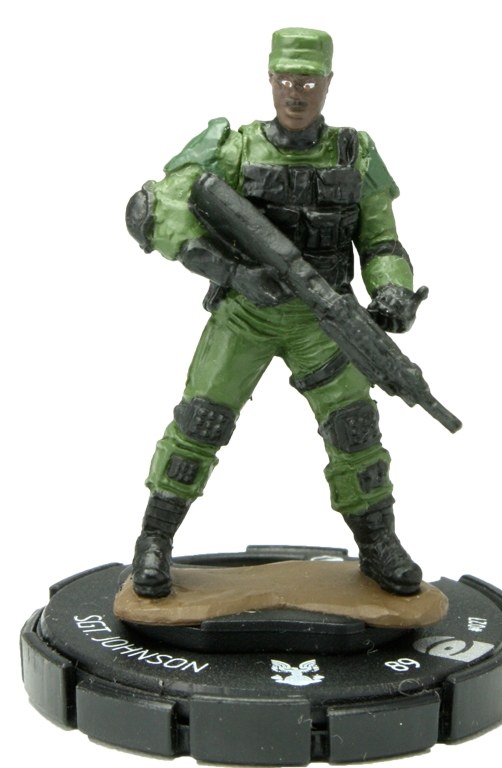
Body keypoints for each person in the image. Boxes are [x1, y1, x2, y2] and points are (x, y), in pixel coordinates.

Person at [126, 27, 427, 599]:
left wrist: (393, 292)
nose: (296, 92)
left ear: (328, 83)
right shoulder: (233, 148)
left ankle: (379, 544)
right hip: (246, 315)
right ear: (270, 79)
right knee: (199, 424)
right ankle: (155, 539)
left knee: (355, 431)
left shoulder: (356, 153)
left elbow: (382, 242)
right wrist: (233, 273)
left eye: (308, 81)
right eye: (287, 79)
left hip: (326, 322)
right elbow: (154, 211)